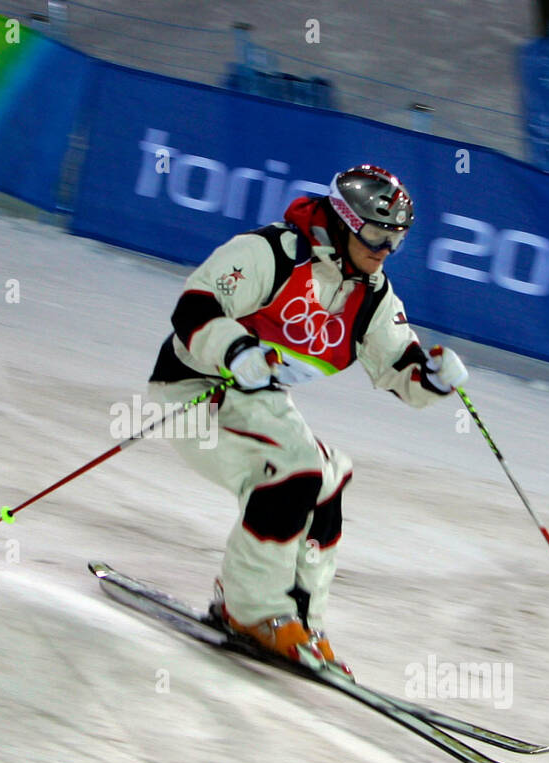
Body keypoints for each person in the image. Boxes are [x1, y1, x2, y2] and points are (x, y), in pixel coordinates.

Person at [146, 165, 468, 671]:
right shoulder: (270, 254)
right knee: (295, 470)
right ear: (342, 220)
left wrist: (434, 377)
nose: (384, 249)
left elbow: (399, 364)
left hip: (258, 402)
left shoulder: (370, 293)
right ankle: (251, 611)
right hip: (194, 392)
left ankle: (299, 618)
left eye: (397, 240)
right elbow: (194, 306)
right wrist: (233, 349)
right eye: (376, 233)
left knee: (328, 476)